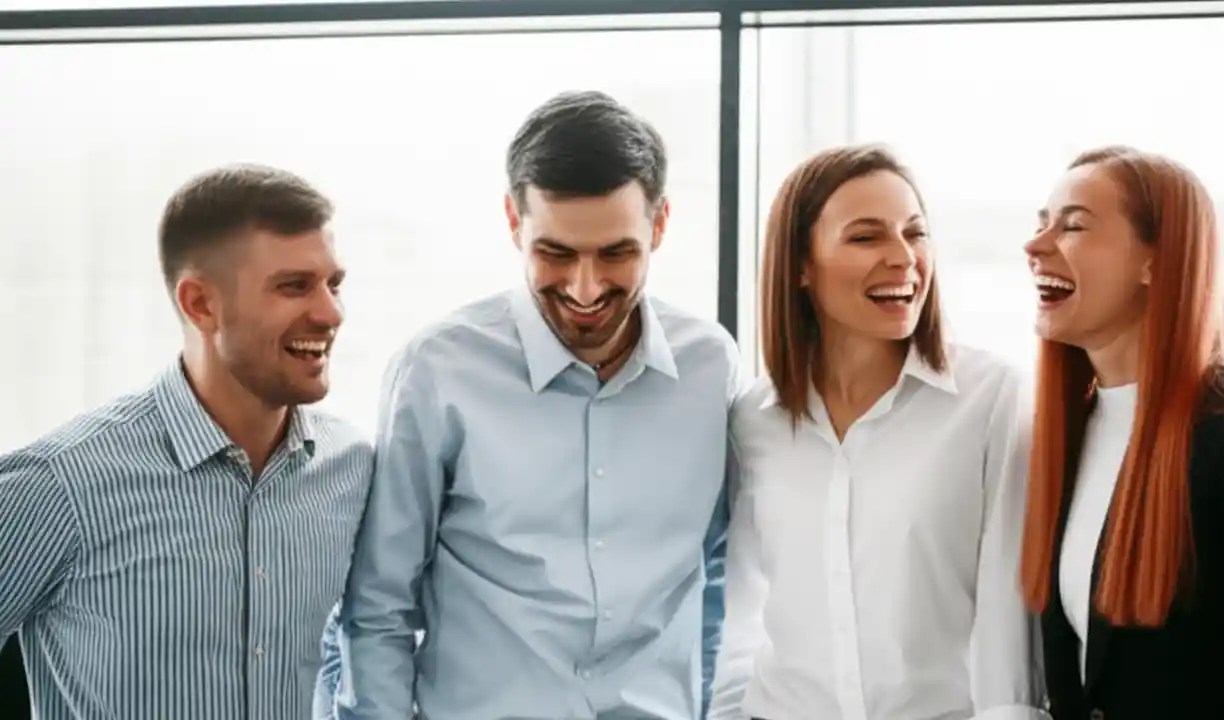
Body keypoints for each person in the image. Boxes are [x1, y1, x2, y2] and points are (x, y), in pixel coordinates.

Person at [328, 90, 738, 720]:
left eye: (617, 253)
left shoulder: (712, 368)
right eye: (556, 253)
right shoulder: (439, 371)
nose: (585, 287)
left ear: (659, 225)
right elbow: (378, 608)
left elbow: (723, 577)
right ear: (514, 222)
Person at [0, 164, 373, 719]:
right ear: (200, 304)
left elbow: (351, 658)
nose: (330, 313)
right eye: (294, 286)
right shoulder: (58, 484)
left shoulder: (353, 467)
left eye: (333, 284)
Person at [709, 145, 1047, 720]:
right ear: (800, 265)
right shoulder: (753, 420)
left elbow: (1010, 623)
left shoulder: (993, 398)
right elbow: (738, 611)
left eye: (915, 234)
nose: (904, 259)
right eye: (866, 238)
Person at [1021, 146, 1224, 719]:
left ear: (1155, 262)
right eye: (1042, 223)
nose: (1035, 245)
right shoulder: (1064, 439)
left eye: (1074, 225)